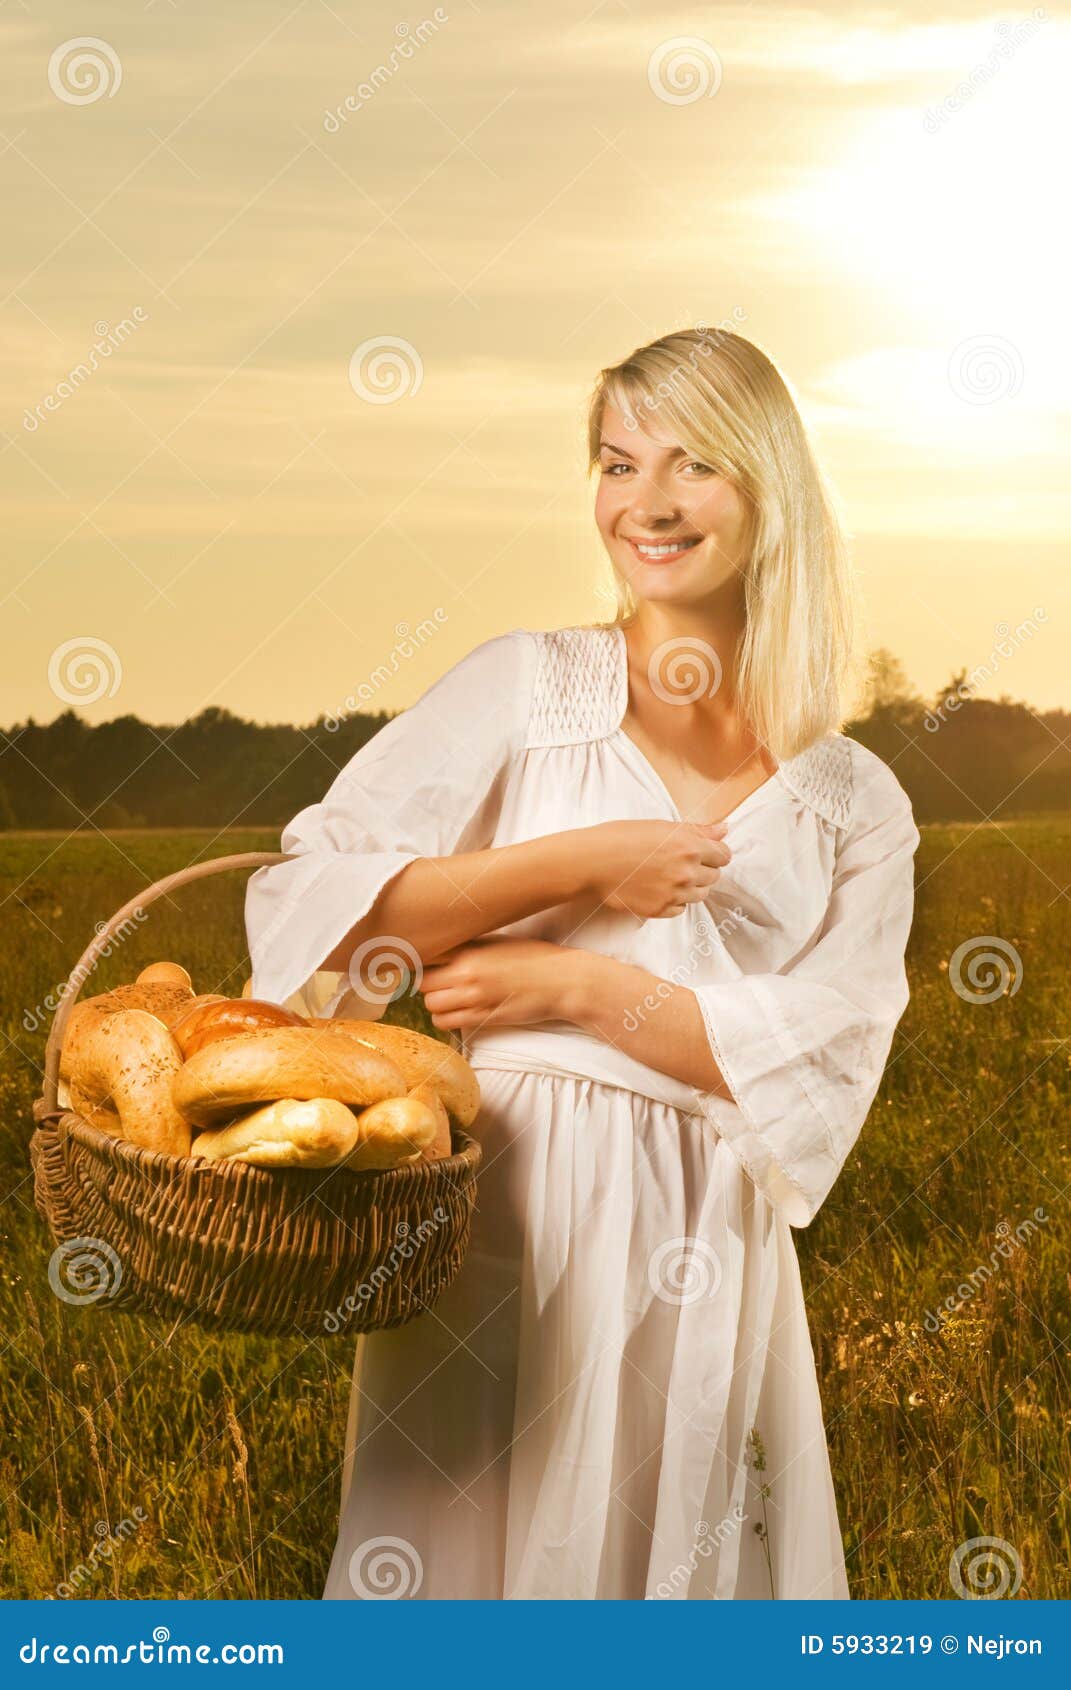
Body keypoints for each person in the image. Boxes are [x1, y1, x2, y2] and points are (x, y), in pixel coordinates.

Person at [244, 327, 920, 1600]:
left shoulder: (854, 800)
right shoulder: (520, 687)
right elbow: (322, 910)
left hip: (706, 1239)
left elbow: (822, 1056)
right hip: (510, 1210)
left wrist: (578, 989)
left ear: (770, 489)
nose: (645, 504)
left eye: (692, 465)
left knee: (681, 1574)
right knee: (467, 1565)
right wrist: (577, 863)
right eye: (616, 463)